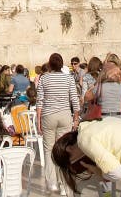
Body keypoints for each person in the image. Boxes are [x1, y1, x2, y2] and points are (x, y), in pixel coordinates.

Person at [37, 52, 80, 193]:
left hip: (48, 116)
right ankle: (63, 184)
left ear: (50, 64)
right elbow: (74, 99)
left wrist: (38, 120)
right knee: (63, 149)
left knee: (49, 149)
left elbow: (40, 101)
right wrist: (76, 118)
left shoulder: (44, 78)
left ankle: (52, 183)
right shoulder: (69, 78)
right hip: (65, 115)